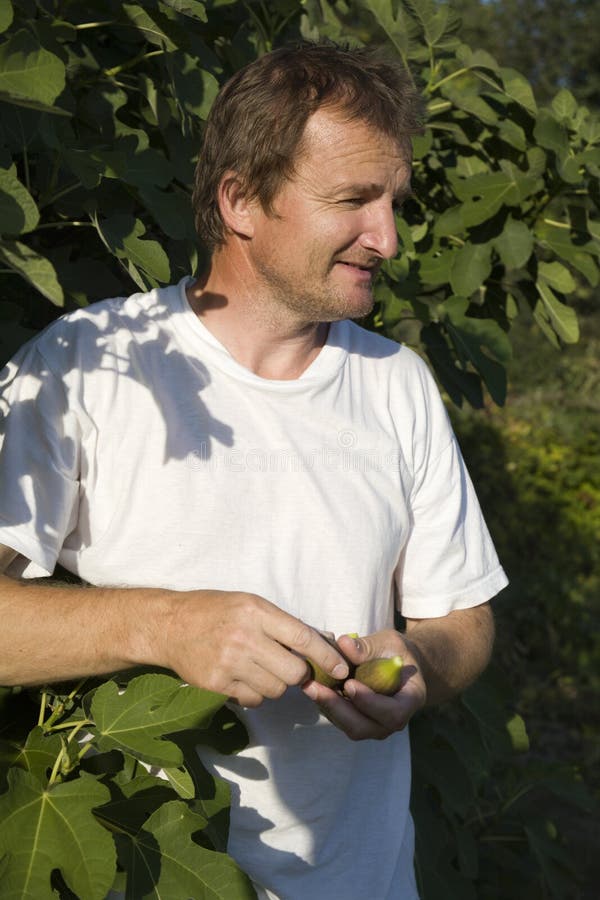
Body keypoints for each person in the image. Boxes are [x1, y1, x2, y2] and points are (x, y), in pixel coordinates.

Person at [0, 41, 507, 900]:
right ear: (240, 199)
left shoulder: (395, 384)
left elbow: (465, 617)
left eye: (393, 202)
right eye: (353, 201)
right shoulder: (86, 366)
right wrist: (163, 626)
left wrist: (417, 662)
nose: (386, 238)